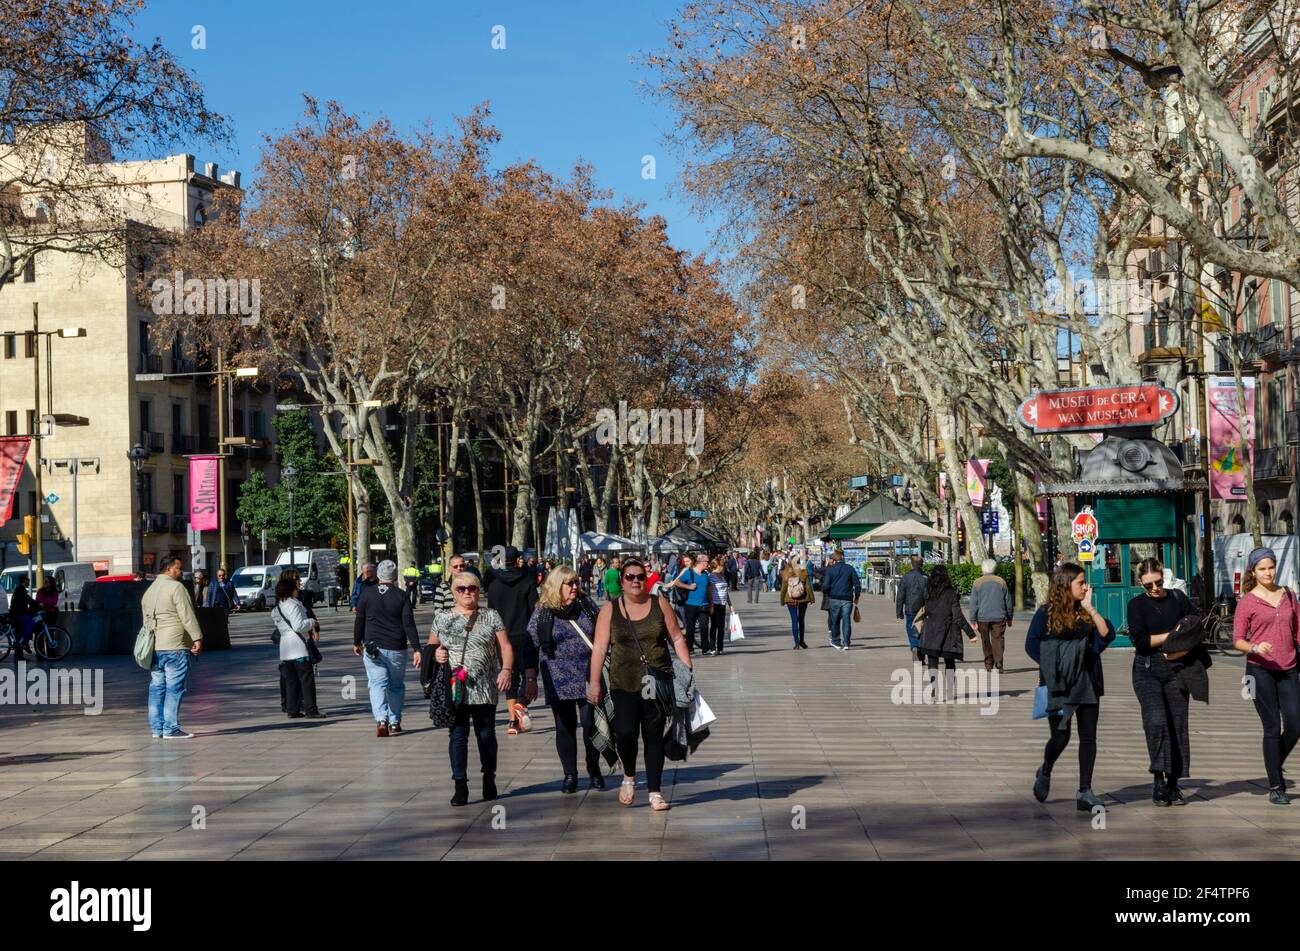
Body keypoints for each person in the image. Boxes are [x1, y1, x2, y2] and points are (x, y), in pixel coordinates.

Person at [587, 558, 692, 810]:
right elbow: (600, 647)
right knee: (625, 732)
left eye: (640, 577)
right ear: (621, 581)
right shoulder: (610, 610)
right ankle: (629, 777)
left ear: (647, 579)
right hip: (623, 681)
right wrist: (594, 682)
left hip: (656, 681)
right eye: (630, 577)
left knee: (653, 735)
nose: (636, 581)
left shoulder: (660, 604)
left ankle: (655, 791)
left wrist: (688, 670)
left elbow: (676, 638)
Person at [1025, 563, 1115, 812]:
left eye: (1085, 582)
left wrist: (1090, 608)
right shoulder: (1046, 614)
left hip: (1087, 683)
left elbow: (1107, 635)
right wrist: (1054, 666)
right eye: (1081, 583)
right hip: (1058, 685)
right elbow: (1031, 644)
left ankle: (1085, 791)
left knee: (1088, 738)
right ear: (1066, 585)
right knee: (1061, 737)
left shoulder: (1086, 613)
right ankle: (1046, 769)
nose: (1086, 586)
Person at [1127, 556, 1208, 807]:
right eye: (1148, 585)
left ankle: (1173, 783)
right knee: (1155, 722)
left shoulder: (1177, 599)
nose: (1155, 588)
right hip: (1147, 669)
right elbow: (1141, 642)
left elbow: (1196, 628)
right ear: (1140, 583)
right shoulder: (1136, 605)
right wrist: (1173, 635)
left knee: (1177, 725)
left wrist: (1178, 649)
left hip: (1178, 668)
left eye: (1158, 582)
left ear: (1164, 577)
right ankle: (1158, 781)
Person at [429, 572, 514, 806]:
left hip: (485, 686)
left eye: (472, 588)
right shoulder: (442, 618)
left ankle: (489, 778)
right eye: (461, 588)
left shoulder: (490, 616)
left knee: (486, 735)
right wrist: (436, 653)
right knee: (457, 736)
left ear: (479, 590)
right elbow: (431, 646)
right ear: (454, 592)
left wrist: (506, 670)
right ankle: (460, 785)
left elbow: (505, 646)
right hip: (454, 687)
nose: (467, 592)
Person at [527, 565, 606, 793]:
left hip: (588, 672)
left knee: (591, 725)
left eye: (576, 583)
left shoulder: (586, 604)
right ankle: (570, 774)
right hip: (557, 675)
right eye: (569, 583)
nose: (574, 587)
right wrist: (530, 675)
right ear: (556, 586)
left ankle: (594, 769)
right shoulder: (543, 611)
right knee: (564, 727)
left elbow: (602, 632)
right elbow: (529, 644)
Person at [1232, 547, 1300, 805]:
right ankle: (1276, 786)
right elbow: (1237, 640)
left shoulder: (1289, 596)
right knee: (1272, 727)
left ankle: (1274, 763)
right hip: (1259, 670)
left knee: (1295, 724)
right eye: (1262, 568)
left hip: (1289, 667)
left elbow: (1298, 631)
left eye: (1270, 567)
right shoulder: (1247, 601)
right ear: (1253, 571)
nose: (1268, 572)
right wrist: (1256, 647)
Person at [352, 559, 422, 737]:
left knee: (377, 684)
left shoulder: (366, 594)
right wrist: (417, 648)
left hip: (372, 646)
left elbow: (359, 619)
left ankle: (381, 719)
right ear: (395, 576)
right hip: (396, 646)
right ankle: (394, 721)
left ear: (379, 575)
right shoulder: (401, 595)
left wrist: (356, 641)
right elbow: (409, 623)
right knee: (396, 686)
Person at [141, 557, 203, 738]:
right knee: (174, 687)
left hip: (155, 645)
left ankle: (157, 728)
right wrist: (197, 637)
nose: (181, 571)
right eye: (179, 568)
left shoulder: (150, 590)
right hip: (175, 644)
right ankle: (170, 728)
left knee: (157, 687)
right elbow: (187, 615)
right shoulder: (176, 588)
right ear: (168, 569)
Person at [485, 546, 540, 735]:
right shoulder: (527, 581)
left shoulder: (493, 585)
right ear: (518, 560)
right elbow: (535, 610)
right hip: (525, 635)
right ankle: (521, 704)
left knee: (510, 677)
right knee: (530, 674)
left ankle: (512, 721)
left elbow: (490, 613)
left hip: (503, 637)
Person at [916, 565, 978, 701]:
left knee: (932, 661)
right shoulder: (950, 593)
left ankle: (934, 688)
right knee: (950, 662)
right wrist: (971, 634)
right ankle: (950, 690)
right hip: (948, 632)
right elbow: (958, 616)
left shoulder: (927, 591)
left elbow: (919, 608)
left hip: (930, 631)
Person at [273, 572, 326, 720]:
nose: (298, 590)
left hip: (285, 648)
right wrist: (311, 622)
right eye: (296, 588)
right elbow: (298, 626)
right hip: (298, 647)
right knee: (306, 679)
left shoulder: (278, 607)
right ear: (291, 591)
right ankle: (311, 709)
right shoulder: (293, 605)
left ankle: (292, 709)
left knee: (291, 681)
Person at [969, 559, 1013, 673]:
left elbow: (973, 602)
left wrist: (972, 619)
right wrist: (1009, 617)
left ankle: (989, 663)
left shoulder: (977, 582)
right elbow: (1008, 601)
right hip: (999, 616)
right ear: (995, 569)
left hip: (982, 617)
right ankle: (999, 661)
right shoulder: (1001, 581)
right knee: (998, 639)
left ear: (983, 569)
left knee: (985, 641)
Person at [670, 551, 709, 654]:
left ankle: (705, 649)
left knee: (704, 627)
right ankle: (690, 648)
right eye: (706, 561)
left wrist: (711, 604)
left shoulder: (705, 574)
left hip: (704, 605)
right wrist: (688, 587)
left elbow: (709, 589)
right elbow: (677, 582)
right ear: (701, 562)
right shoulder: (689, 572)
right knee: (690, 628)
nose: (708, 563)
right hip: (691, 605)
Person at [822, 549, 861, 651]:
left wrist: (828, 593)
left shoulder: (831, 570)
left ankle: (836, 641)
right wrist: (856, 597)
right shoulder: (850, 568)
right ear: (843, 558)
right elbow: (857, 584)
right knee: (846, 620)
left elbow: (825, 585)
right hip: (847, 598)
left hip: (834, 598)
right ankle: (847, 642)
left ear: (835, 559)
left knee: (835, 620)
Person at [895, 557, 928, 661]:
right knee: (923, 630)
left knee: (910, 628)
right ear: (922, 564)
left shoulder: (906, 577)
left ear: (911, 565)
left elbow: (900, 595)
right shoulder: (926, 577)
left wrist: (899, 611)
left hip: (910, 608)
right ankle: (921, 652)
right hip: (923, 609)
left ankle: (914, 646)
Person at [780, 555, 814, 649]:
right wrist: (812, 598)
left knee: (794, 621)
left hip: (790, 600)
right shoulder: (803, 571)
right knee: (801, 620)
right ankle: (802, 641)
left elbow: (783, 589)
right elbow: (808, 586)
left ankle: (796, 643)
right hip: (803, 599)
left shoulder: (785, 572)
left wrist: (782, 600)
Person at [7, 574, 39, 661]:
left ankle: (19, 657)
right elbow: (28, 600)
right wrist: (39, 604)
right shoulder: (21, 589)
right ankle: (25, 642)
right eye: (28, 580)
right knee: (31, 622)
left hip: (17, 614)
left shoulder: (20, 589)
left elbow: (27, 600)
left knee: (19, 635)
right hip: (17, 615)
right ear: (24, 580)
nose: (29, 581)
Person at [706, 556, 731, 655]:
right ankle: (712, 647)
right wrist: (711, 605)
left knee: (721, 626)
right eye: (722, 565)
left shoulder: (722, 576)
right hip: (715, 604)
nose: (723, 567)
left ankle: (720, 647)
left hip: (722, 604)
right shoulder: (711, 576)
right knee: (714, 626)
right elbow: (710, 591)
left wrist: (730, 604)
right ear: (718, 566)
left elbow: (726, 592)